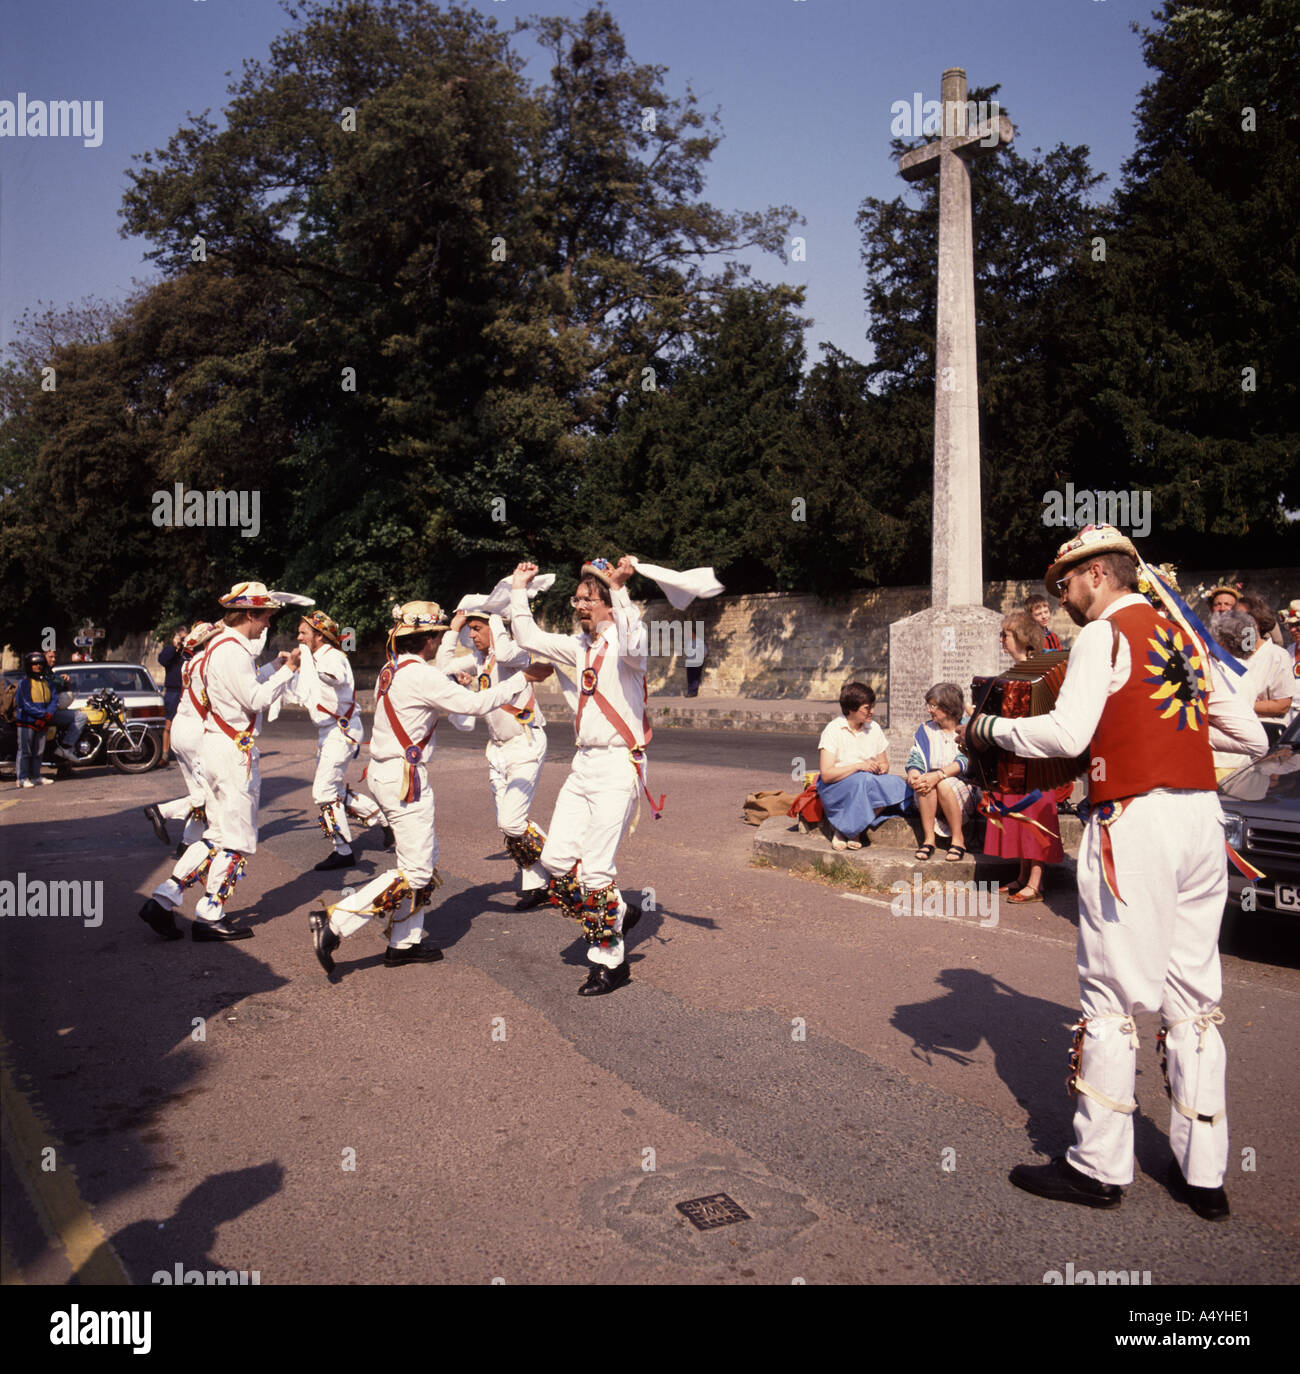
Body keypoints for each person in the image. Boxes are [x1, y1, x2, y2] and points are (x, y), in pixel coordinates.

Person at [963, 525, 1267, 1219]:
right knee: (1194, 998)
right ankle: (1205, 1176)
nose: (1062, 599)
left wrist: (987, 732)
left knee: (1110, 996)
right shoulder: (1181, 638)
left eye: (1064, 584)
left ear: (1096, 575)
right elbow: (1250, 735)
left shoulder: (1103, 633)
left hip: (1134, 823)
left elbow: (1066, 736)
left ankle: (1098, 1169)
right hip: (1200, 822)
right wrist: (1168, 732)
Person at [308, 601, 549, 974]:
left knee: (423, 858)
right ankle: (336, 922)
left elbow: (444, 683)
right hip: (405, 778)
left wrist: (452, 630)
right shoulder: (420, 675)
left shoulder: (395, 669)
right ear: (429, 641)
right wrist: (524, 679)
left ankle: (404, 943)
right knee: (417, 871)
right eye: (438, 637)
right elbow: (476, 703)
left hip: (387, 772)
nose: (440, 644)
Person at [506, 556, 656, 996]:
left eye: (590, 599)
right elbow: (528, 635)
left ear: (610, 604)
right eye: (578, 598)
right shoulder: (579, 647)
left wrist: (621, 587)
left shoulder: (629, 650)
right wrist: (518, 588)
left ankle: (610, 963)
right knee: (553, 861)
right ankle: (620, 909)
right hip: (583, 763)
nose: (580, 605)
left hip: (617, 765)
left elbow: (634, 639)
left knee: (594, 871)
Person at [138, 583, 301, 943]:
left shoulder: (218, 647)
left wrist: (273, 665)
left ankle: (164, 899)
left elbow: (240, 688)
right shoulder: (234, 651)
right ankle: (210, 912)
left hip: (214, 746)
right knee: (237, 839)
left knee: (214, 835)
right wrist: (288, 671)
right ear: (249, 614)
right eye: (266, 617)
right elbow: (255, 698)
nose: (267, 625)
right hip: (231, 753)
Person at [436, 605, 551, 908]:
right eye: (470, 629)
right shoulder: (479, 660)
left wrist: (497, 616)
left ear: (494, 628)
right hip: (498, 749)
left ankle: (562, 861)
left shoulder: (515, 656)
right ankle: (537, 881)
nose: (471, 635)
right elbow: (441, 667)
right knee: (508, 824)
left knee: (513, 822)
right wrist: (452, 629)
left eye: (477, 628)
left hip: (525, 743)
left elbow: (507, 654)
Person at [288, 609, 392, 872]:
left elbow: (334, 677)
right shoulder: (314, 658)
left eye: (303, 632)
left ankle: (343, 850)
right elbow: (300, 694)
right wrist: (287, 667)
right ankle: (381, 819)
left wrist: (309, 664)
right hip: (329, 732)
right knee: (331, 788)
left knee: (323, 791)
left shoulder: (332, 657)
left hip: (341, 731)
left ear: (319, 636)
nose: (298, 637)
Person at [980, 612, 1064, 902]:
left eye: (1006, 635)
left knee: (1034, 814)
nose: (1002, 640)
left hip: (1038, 758)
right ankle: (1022, 875)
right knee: (1019, 814)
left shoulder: (1043, 673)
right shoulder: (1014, 674)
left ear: (1022, 638)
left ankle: (1037, 882)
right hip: (1015, 756)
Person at [142, 621, 220, 852]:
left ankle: (187, 844)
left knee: (199, 791)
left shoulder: (189, 663)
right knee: (212, 791)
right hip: (196, 732)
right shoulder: (206, 664)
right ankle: (162, 811)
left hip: (180, 728)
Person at [815, 682, 907, 850]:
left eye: (872, 707)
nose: (872, 711)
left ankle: (848, 828)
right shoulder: (834, 730)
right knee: (862, 780)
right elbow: (827, 775)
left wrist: (882, 768)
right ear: (851, 708)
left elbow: (884, 762)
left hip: (868, 781)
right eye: (867, 708)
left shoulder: (874, 728)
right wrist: (859, 766)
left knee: (898, 784)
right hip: (837, 785)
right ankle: (849, 831)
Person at [905, 682, 976, 863]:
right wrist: (914, 773)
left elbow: (966, 761)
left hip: (962, 785)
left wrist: (938, 775)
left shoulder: (968, 728)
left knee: (942, 783)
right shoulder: (925, 729)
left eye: (933, 706)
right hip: (931, 790)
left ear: (948, 706)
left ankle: (958, 840)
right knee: (924, 783)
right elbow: (916, 757)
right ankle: (929, 840)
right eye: (929, 705)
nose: (930, 710)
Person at [14, 652, 59, 786]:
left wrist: (48, 714)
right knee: (25, 751)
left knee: (39, 751)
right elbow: (25, 703)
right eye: (34, 664)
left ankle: (36, 775)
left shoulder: (47, 682)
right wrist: (42, 715)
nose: (37, 666)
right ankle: (22, 778)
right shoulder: (24, 682)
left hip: (43, 722)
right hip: (27, 722)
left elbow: (54, 700)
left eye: (40, 664)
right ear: (29, 666)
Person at [157, 624, 187, 766]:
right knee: (168, 724)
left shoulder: (189, 653)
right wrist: (176, 647)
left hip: (187, 691)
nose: (183, 640)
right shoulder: (170, 652)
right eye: (180, 637)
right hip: (173, 691)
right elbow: (163, 660)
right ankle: (164, 755)